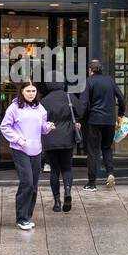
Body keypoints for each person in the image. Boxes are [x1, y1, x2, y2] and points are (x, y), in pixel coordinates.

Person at [0, 81, 55, 231]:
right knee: (27, 183)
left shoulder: (40, 108)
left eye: (33, 91)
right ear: (22, 92)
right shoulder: (14, 108)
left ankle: (27, 217)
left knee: (34, 186)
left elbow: (42, 128)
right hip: (20, 149)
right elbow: (4, 126)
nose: (31, 93)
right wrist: (17, 139)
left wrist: (47, 126)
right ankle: (21, 218)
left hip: (36, 150)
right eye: (28, 91)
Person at [81, 59, 125, 191]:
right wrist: (120, 113)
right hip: (109, 120)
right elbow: (121, 98)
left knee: (93, 151)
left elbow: (84, 103)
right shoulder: (110, 80)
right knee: (107, 148)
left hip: (94, 120)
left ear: (90, 70)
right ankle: (110, 173)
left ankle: (91, 183)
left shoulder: (89, 81)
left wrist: (78, 118)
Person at [39, 82, 81, 212]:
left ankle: (57, 202)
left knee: (55, 170)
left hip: (50, 137)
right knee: (67, 168)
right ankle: (67, 191)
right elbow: (80, 111)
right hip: (67, 136)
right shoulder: (69, 97)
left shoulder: (44, 100)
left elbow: (39, 118)